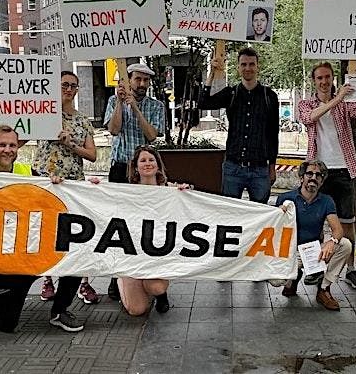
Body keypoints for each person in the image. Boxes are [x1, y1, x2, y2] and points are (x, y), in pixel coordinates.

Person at [0, 125, 86, 333]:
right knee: (6, 325)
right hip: (1, 263)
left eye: (12, 145)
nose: (8, 150)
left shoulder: (28, 172)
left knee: (77, 255)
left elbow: (53, 197)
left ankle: (60, 311)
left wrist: (60, 184)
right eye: (2, 145)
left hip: (31, 253)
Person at [296, 62, 356, 291]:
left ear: (333, 78)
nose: (324, 81)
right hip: (317, 171)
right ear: (313, 81)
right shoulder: (306, 103)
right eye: (319, 78)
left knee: (347, 222)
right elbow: (309, 118)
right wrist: (338, 98)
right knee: (316, 222)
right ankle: (315, 267)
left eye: (327, 77)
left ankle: (350, 270)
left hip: (343, 168)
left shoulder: (345, 102)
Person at [32, 71, 100, 304]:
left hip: (73, 183)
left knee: (75, 231)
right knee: (48, 231)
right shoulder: (42, 114)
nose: (68, 89)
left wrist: (71, 145)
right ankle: (48, 279)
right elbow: (18, 138)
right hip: (45, 180)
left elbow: (92, 154)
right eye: (64, 85)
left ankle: (81, 282)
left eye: (73, 86)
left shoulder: (82, 121)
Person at [103, 62, 165, 300]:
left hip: (145, 172)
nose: (141, 84)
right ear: (128, 80)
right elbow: (114, 129)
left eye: (145, 80)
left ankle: (153, 279)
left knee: (148, 223)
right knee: (119, 224)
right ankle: (117, 278)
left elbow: (152, 135)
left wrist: (136, 109)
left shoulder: (156, 106)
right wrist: (121, 103)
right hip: (121, 169)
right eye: (137, 79)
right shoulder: (113, 101)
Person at [199, 47, 279, 204]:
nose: (247, 68)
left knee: (259, 212)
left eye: (251, 64)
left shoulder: (269, 96)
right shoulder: (231, 93)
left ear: (258, 66)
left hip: (259, 167)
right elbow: (203, 103)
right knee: (230, 211)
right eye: (243, 64)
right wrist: (212, 73)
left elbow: (273, 133)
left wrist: (272, 166)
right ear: (238, 67)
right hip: (233, 166)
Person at [272, 160, 353, 311]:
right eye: (309, 174)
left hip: (312, 251)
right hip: (290, 251)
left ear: (322, 181)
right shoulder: (286, 198)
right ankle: (292, 279)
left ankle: (324, 288)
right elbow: (272, 229)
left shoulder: (326, 200)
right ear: (301, 177)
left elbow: (338, 230)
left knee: (345, 245)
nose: (314, 178)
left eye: (318, 175)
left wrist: (332, 241)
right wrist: (278, 213)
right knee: (276, 281)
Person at [118, 145, 184, 315]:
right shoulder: (126, 192)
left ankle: (159, 294)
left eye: (151, 160)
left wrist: (187, 194)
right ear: (136, 167)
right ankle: (119, 279)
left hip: (156, 254)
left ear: (158, 165)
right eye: (143, 160)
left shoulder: (170, 191)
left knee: (156, 287)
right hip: (132, 256)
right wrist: (95, 188)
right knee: (136, 310)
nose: (147, 163)